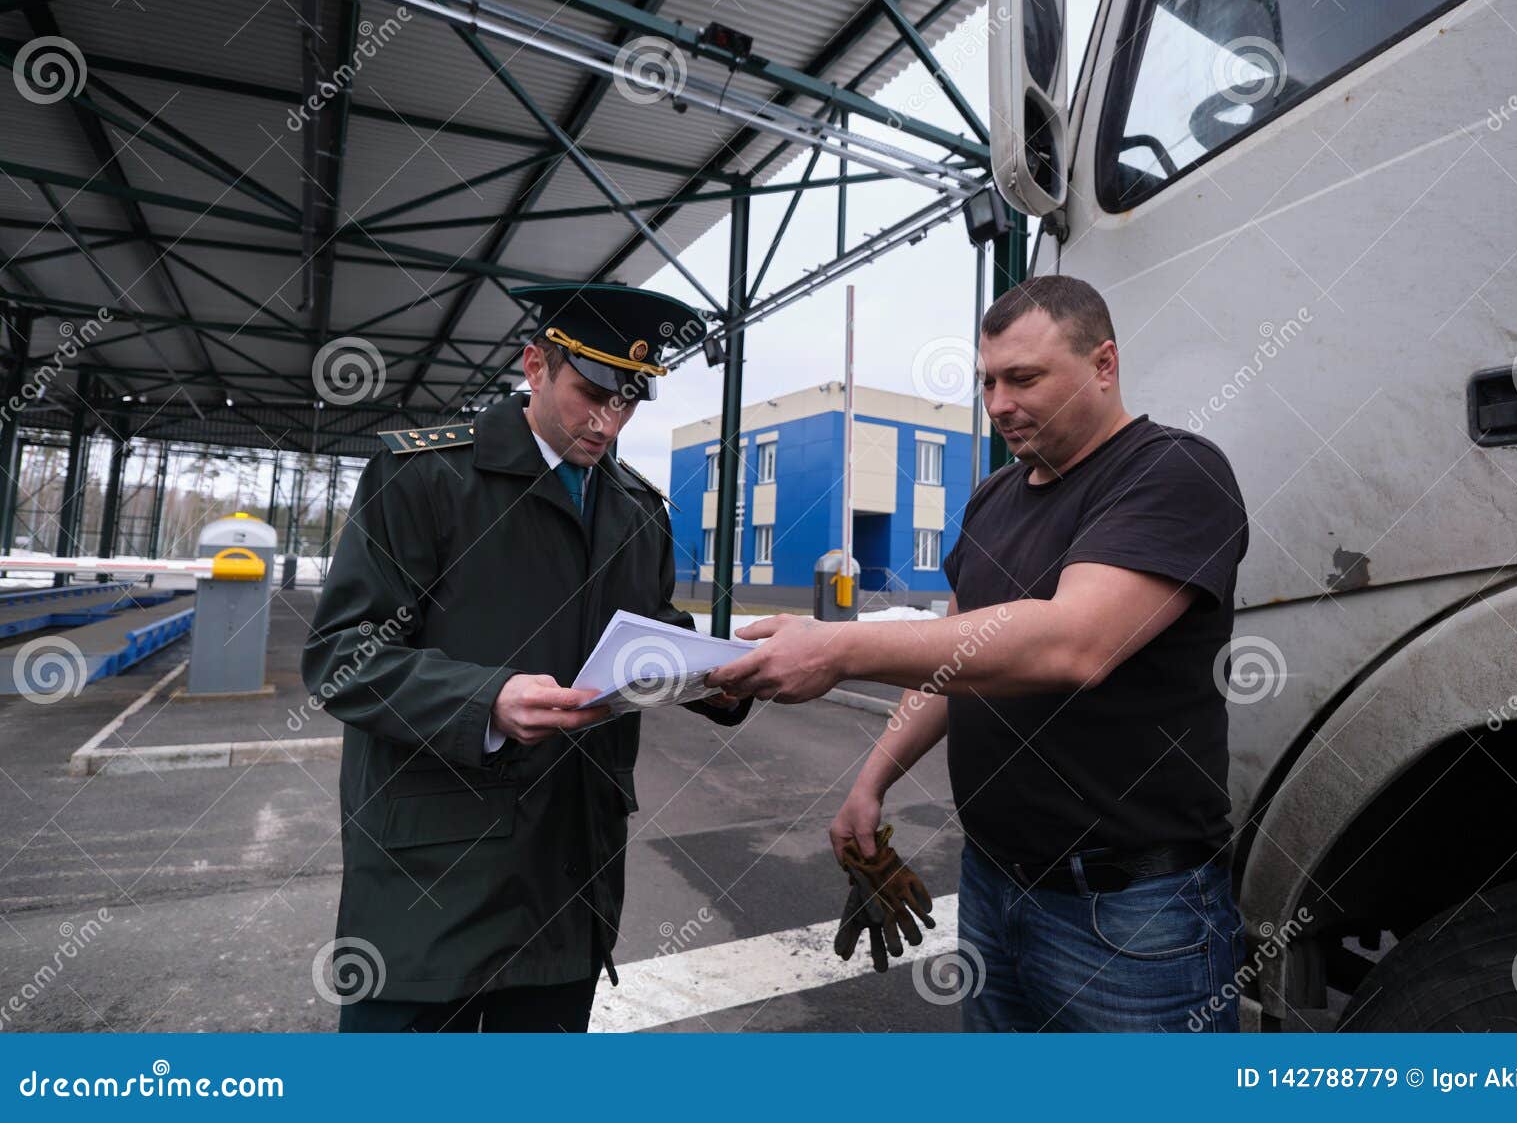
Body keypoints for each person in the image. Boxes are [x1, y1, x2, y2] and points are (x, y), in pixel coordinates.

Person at [707, 275, 1250, 1032]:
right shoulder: (994, 497)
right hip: (993, 886)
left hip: (1131, 917)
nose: (997, 405)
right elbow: (947, 668)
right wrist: (871, 782)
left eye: (1024, 378)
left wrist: (840, 646)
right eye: (987, 381)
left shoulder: (1171, 473)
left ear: (1104, 364)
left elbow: (1074, 643)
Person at [303, 283, 748, 1033]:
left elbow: (649, 635)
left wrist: (727, 676)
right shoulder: (425, 478)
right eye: (592, 393)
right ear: (534, 365)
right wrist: (486, 700)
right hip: (427, 896)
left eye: (631, 401)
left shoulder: (637, 512)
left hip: (565, 888)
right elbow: (339, 654)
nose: (609, 421)